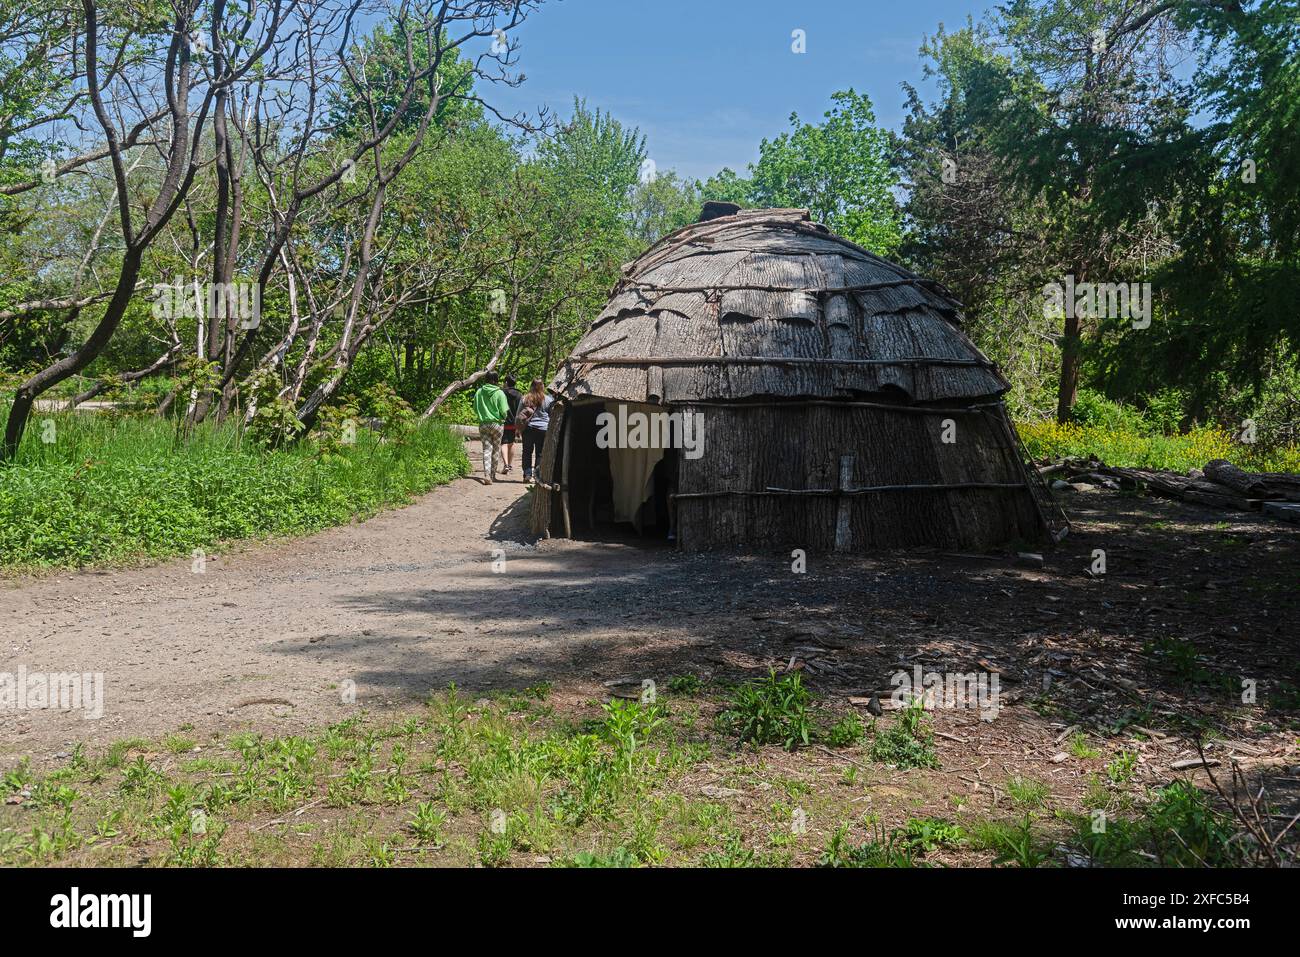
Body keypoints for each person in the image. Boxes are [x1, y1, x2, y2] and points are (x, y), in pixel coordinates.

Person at [472, 372, 509, 484]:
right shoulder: (500, 393)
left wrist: (481, 415)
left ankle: (486, 474)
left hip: (483, 423)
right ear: (496, 380)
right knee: (496, 449)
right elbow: (504, 410)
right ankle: (493, 475)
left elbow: (475, 408)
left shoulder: (479, 392)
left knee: (486, 449)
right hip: (497, 424)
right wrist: (503, 418)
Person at [518, 378, 554, 483]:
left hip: (528, 428)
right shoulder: (548, 399)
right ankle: (537, 475)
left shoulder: (525, 398)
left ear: (531, 386)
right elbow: (552, 415)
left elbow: (519, 414)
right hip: (543, 429)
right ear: (542, 387)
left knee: (527, 451)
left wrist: (518, 428)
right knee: (540, 453)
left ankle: (527, 474)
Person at [500, 376, 523, 476]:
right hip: (515, 423)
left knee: (504, 443)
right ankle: (509, 465)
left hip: (504, 421)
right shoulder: (519, 394)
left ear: (506, 382)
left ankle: (505, 465)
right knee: (512, 443)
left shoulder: (502, 393)